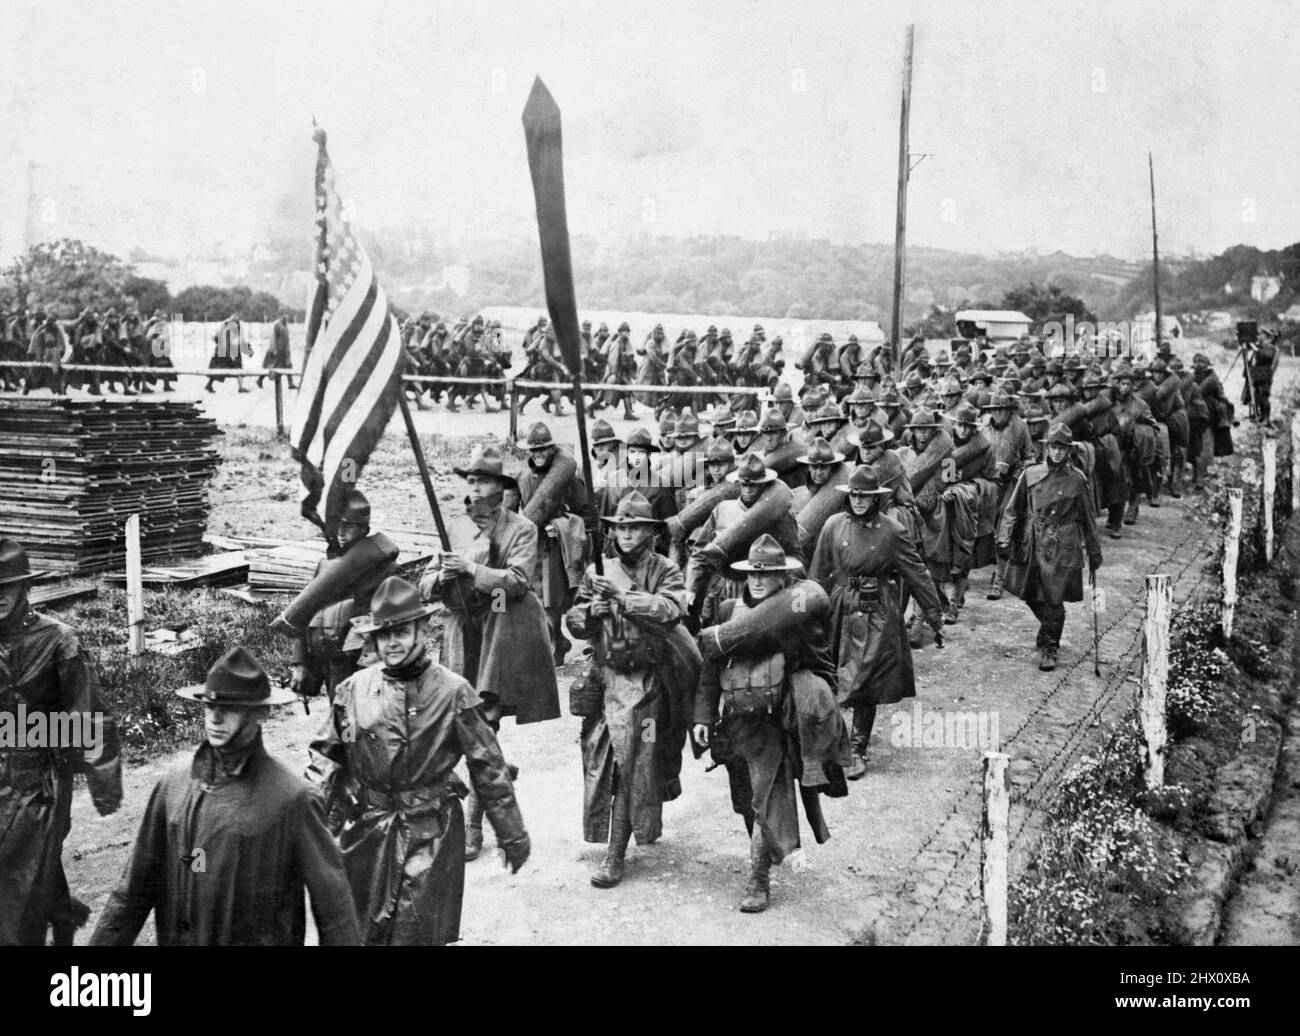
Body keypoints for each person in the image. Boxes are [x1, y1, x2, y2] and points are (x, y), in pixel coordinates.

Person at [308, 577, 530, 945]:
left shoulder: (453, 692)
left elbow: (487, 766)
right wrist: (315, 830)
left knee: (415, 931)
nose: (392, 642)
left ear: (422, 629)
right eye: (384, 634)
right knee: (360, 930)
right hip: (368, 829)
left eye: (402, 631)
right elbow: (330, 756)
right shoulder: (354, 692)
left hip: (431, 831)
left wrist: (511, 834)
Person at [92, 648, 360, 946]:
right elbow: (133, 891)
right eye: (209, 707)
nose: (215, 718)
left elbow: (335, 911)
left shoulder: (293, 799)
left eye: (230, 708)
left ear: (259, 713)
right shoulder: (174, 784)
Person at [420, 445, 558, 860]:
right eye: (471, 481)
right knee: (458, 722)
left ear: (501, 487)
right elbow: (425, 583)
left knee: (483, 724)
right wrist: (440, 579)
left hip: (501, 628)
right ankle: (500, 773)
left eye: (482, 481)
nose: (475, 489)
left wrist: (472, 571)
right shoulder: (456, 528)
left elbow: (517, 582)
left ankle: (474, 825)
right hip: (463, 631)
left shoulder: (521, 529)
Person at [692, 535, 844, 913]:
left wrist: (810, 705)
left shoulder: (797, 616)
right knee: (745, 800)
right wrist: (703, 716)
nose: (758, 581)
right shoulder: (728, 610)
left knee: (766, 798)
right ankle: (769, 851)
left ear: (783, 577)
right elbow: (711, 670)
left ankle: (757, 881)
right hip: (736, 722)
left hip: (774, 723)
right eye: (753, 575)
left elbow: (822, 665)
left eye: (768, 574)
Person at [565, 493, 700, 887]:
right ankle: (632, 820)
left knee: (634, 760)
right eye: (620, 527)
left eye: (635, 527)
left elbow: (671, 611)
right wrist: (593, 613)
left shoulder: (667, 570)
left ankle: (615, 853)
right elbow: (573, 622)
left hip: (648, 683)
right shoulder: (598, 570)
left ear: (650, 532)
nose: (626, 534)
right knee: (603, 759)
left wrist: (622, 599)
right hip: (606, 676)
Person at [0, 539, 121, 946]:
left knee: (20, 888)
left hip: (41, 782)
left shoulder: (59, 640)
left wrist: (104, 783)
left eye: (8, 587)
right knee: (23, 873)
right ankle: (61, 914)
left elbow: (88, 715)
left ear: (25, 588)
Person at [809, 466, 944, 778]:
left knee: (865, 678)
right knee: (832, 672)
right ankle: (832, 740)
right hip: (840, 605)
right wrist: (809, 612)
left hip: (876, 608)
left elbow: (917, 572)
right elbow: (817, 573)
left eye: (865, 496)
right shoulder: (833, 525)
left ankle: (857, 747)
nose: (858, 501)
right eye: (854, 495)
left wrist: (934, 616)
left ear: (875, 498)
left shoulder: (891, 530)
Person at [270, 489, 399, 703]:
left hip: (360, 665)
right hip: (328, 663)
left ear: (364, 528)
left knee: (361, 720)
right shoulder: (327, 568)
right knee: (339, 720)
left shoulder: (384, 569)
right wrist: (299, 663)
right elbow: (306, 610)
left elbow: (391, 623)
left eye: (348, 525)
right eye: (336, 523)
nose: (340, 530)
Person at [996, 424, 1103, 672]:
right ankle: (1049, 625)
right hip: (1034, 539)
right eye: (1054, 447)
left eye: (1062, 448)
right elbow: (1014, 508)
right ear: (1047, 448)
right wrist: (1005, 536)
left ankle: (1050, 647)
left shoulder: (1077, 480)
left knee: (1054, 597)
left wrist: (1094, 551)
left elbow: (1088, 518)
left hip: (1064, 543)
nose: (1057, 453)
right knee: (1029, 592)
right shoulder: (1031, 474)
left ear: (1068, 450)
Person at [515, 422, 596, 665]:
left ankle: (555, 645)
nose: (538, 454)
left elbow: (587, 514)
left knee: (552, 601)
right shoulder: (522, 477)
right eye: (534, 450)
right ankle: (553, 640)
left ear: (552, 450)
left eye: (544, 449)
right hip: (531, 546)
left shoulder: (567, 478)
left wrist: (562, 524)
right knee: (532, 598)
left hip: (556, 548)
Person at [206, 313, 251, 392]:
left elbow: (239, 340)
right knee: (218, 370)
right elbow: (224, 342)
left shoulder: (234, 327)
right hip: (225, 352)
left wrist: (247, 349)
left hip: (228, 351)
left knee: (237, 368)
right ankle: (209, 385)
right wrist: (231, 356)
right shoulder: (227, 328)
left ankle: (241, 387)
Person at [258, 313, 296, 389]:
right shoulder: (277, 325)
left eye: (287, 314)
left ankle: (291, 383)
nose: (287, 316)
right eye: (286, 314)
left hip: (284, 351)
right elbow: (273, 337)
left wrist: (287, 349)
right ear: (281, 315)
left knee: (288, 365)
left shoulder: (285, 325)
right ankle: (259, 380)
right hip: (276, 351)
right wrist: (273, 349)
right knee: (269, 367)